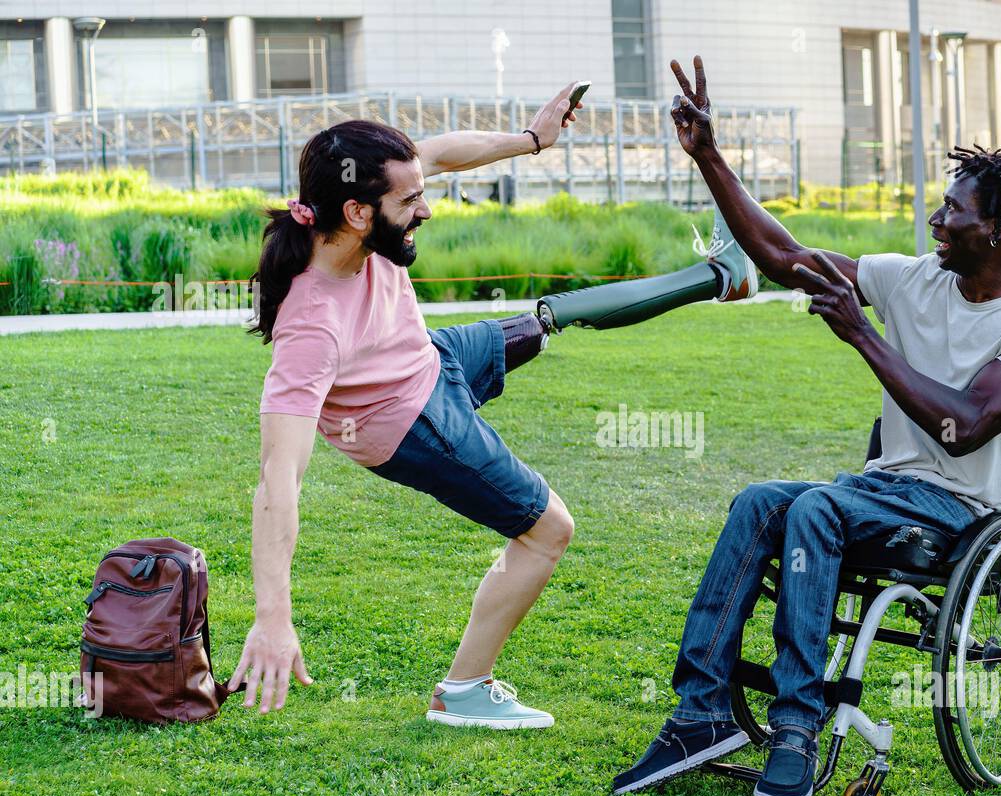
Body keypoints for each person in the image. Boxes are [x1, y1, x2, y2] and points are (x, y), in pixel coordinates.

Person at [613, 57, 1001, 796]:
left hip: (962, 512)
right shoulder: (919, 278)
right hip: (884, 490)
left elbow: (964, 429)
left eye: (953, 211)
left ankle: (796, 726)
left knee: (816, 508)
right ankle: (701, 710)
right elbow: (784, 257)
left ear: (995, 229)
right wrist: (708, 156)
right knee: (758, 501)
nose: (937, 220)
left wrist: (865, 338)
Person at [233, 82, 757, 727]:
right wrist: (272, 616)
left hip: (428, 355)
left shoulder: (360, 201)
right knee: (548, 530)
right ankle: (464, 691)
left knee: (544, 319)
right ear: (359, 213)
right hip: (408, 421)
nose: (425, 209)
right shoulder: (311, 325)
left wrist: (535, 139)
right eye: (411, 201)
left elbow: (444, 155)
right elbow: (276, 479)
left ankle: (719, 277)